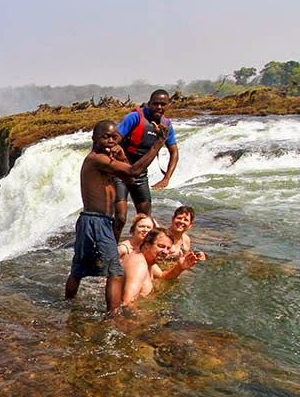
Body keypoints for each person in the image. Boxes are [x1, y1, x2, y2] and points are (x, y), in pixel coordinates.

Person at [65, 119, 170, 313]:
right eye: (105, 137)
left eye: (115, 137)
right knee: (115, 271)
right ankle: (113, 315)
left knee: (79, 270)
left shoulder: (106, 160)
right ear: (94, 138)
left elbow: (129, 178)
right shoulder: (97, 159)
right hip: (96, 222)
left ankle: (67, 305)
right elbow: (134, 171)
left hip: (93, 221)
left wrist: (122, 155)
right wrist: (158, 143)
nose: (111, 141)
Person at [112, 89, 180, 240]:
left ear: (168, 105)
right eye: (156, 104)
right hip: (121, 173)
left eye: (163, 104)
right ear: (149, 104)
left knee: (145, 219)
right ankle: (112, 253)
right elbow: (114, 140)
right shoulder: (135, 117)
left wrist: (166, 178)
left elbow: (174, 152)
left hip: (140, 175)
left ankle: (143, 252)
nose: (159, 107)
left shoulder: (166, 126)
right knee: (120, 218)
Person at [121, 228, 199, 307]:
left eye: (168, 248)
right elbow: (127, 302)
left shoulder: (148, 261)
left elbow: (163, 276)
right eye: (161, 246)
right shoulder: (139, 265)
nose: (165, 252)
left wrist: (179, 268)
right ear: (147, 245)